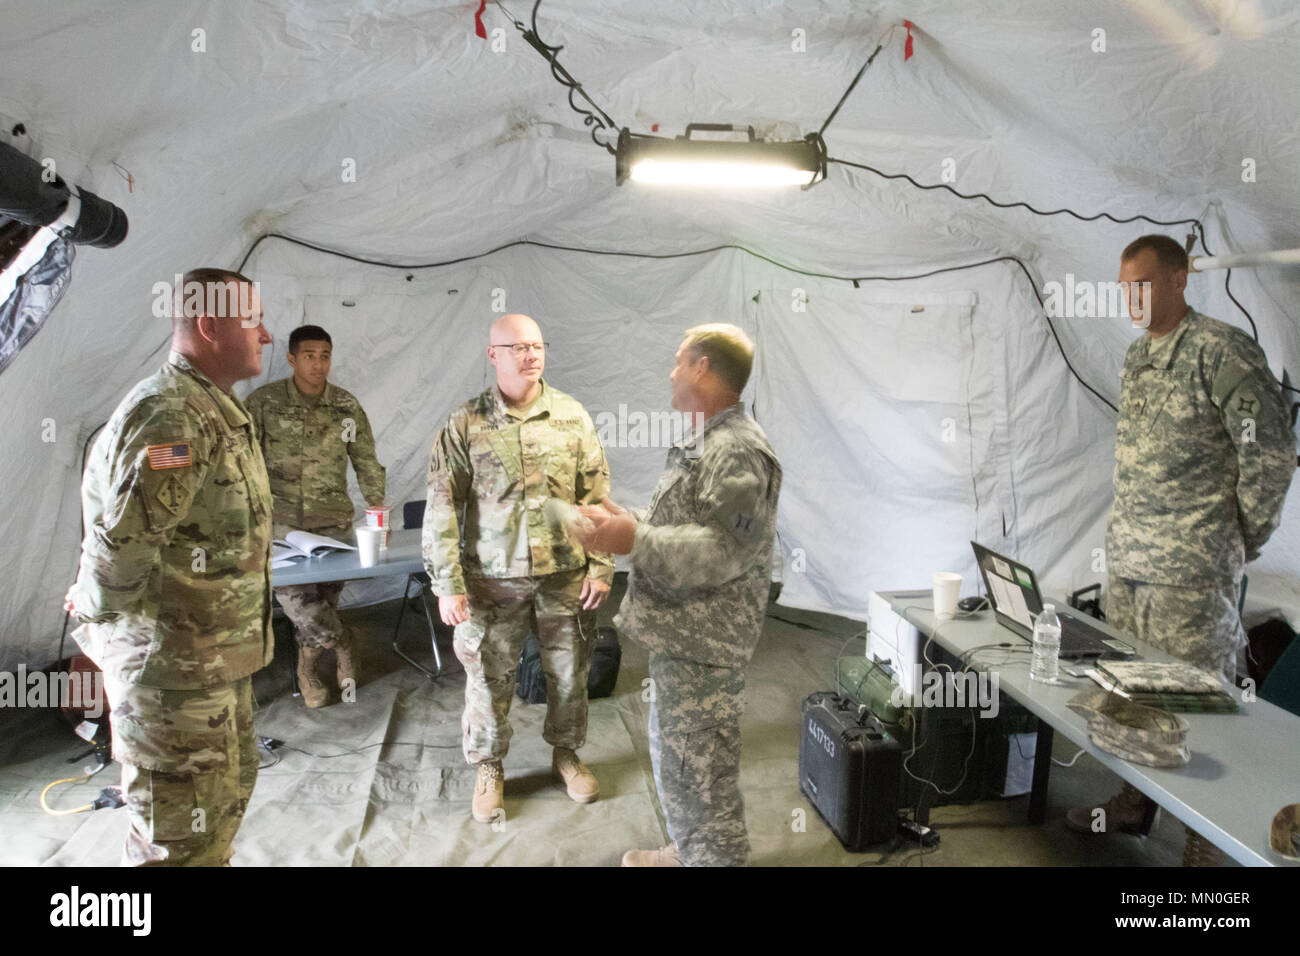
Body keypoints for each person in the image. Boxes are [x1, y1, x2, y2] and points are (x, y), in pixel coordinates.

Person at [1067, 234, 1295, 864]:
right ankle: (1136, 801)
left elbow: (1269, 455)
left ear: (1178, 279)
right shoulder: (1141, 354)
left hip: (1191, 575)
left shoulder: (1221, 352)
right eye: (1124, 287)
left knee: (1201, 704)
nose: (1132, 298)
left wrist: (1238, 538)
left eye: (1142, 284)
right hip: (1134, 566)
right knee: (1135, 695)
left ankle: (1207, 842)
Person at [64, 268, 274, 866]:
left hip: (209, 663)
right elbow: (124, 545)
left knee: (216, 818)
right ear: (210, 326)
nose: (266, 335)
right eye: (253, 320)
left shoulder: (213, 411)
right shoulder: (173, 416)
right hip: (169, 676)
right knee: (176, 842)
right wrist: (92, 609)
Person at [577, 323, 782, 867]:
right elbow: (687, 519)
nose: (670, 372)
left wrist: (634, 540)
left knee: (700, 770)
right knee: (683, 762)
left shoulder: (737, 449)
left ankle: (712, 859)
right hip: (686, 632)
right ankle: (691, 850)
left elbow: (726, 550)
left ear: (702, 368)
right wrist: (630, 520)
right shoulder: (710, 439)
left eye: (678, 361)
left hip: (707, 641)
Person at [423, 313, 614, 823]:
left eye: (536, 345)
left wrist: (600, 566)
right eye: (517, 347)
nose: (530, 354)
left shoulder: (572, 416)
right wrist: (447, 583)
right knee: (488, 678)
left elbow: (596, 496)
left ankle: (566, 755)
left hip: (564, 574)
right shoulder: (466, 422)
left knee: (570, 673)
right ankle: (490, 766)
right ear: (493, 355)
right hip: (491, 579)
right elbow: (442, 506)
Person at [246, 325, 386, 707]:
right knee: (302, 606)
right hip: (281, 528)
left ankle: (308, 669)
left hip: (332, 525)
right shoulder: (263, 403)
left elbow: (366, 460)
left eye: (324, 356)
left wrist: (377, 509)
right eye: (309, 356)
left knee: (324, 605)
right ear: (292, 359)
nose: (318, 364)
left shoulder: (345, 406)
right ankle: (342, 646)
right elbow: (242, 463)